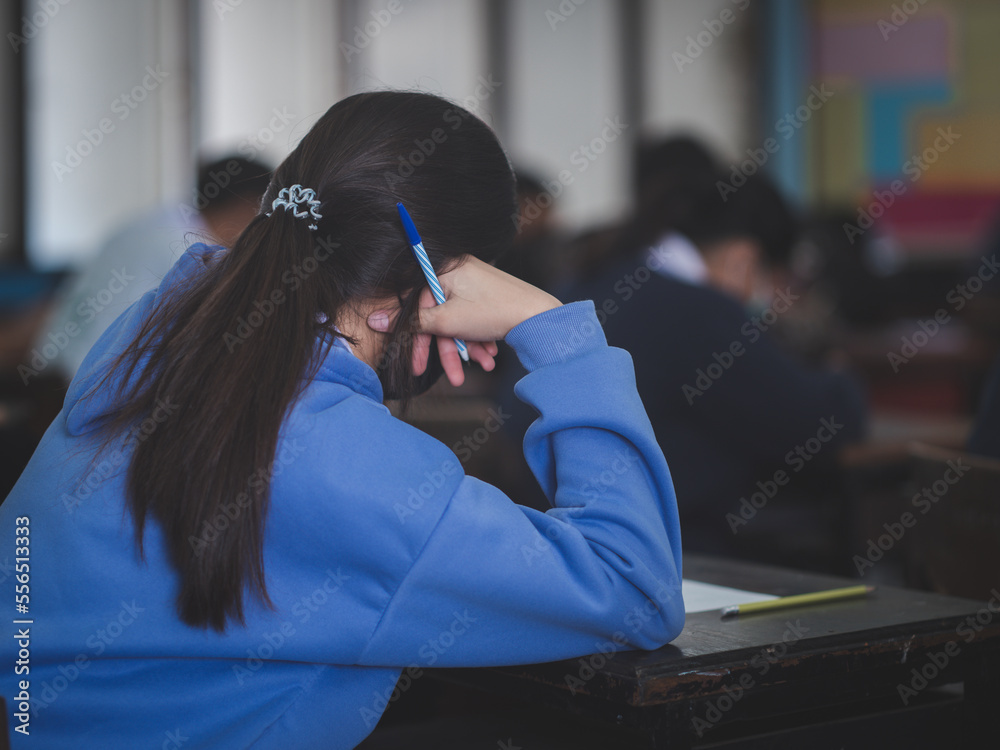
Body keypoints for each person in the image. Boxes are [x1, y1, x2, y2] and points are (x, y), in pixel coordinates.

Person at [0, 91, 684, 749]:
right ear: (440, 278)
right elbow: (635, 589)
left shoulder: (152, 332)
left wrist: (382, 341)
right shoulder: (348, 466)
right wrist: (556, 333)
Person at [567, 169, 867, 562]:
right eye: (775, 280)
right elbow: (823, 424)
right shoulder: (700, 312)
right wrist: (840, 375)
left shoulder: (592, 279)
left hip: (572, 541)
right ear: (744, 260)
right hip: (671, 556)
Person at [33, 155, 270, 380]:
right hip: (97, 382)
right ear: (246, 208)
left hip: (59, 370)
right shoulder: (187, 251)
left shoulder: (158, 222)